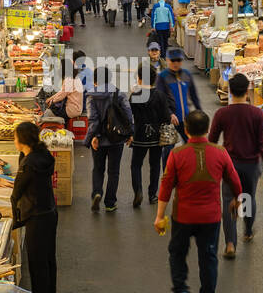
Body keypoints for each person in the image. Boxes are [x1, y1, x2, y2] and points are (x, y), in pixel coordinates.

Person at [155, 110, 242, 293]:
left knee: (177, 254)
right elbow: (235, 180)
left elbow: (165, 188)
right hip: (210, 218)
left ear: (185, 130)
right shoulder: (220, 152)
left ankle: (182, 292)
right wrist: (237, 199)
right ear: (207, 129)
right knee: (209, 260)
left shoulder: (177, 155)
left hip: (183, 217)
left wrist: (159, 216)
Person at [209, 73, 263, 258]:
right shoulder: (256, 113)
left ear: (230, 91)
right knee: (248, 197)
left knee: (229, 200)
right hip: (251, 165)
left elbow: (212, 140)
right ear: (247, 91)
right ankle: (247, 230)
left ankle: (230, 243)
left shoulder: (222, 113)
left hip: (229, 165)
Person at [11, 122, 58, 293]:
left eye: (15, 137)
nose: (14, 141)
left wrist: (16, 217)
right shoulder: (43, 156)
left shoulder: (29, 164)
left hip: (35, 216)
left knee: (36, 261)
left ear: (22, 140)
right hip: (49, 211)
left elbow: (17, 191)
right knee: (47, 256)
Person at [85, 69, 134, 212]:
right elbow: (128, 113)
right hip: (116, 139)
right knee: (114, 171)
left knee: (98, 169)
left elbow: (92, 120)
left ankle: (97, 192)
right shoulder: (118, 94)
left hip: (99, 140)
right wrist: (130, 133)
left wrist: (92, 137)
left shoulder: (91, 96)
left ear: (95, 81)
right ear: (110, 79)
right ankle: (110, 203)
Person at [130, 62, 174, 208]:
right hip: (156, 136)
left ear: (140, 79)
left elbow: (129, 116)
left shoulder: (134, 96)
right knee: (155, 165)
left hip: (139, 135)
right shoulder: (160, 96)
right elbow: (167, 117)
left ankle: (138, 191)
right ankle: (153, 194)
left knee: (136, 164)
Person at [156, 48, 202, 140]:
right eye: (173, 60)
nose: (176, 63)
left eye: (179, 60)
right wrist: (170, 114)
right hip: (169, 119)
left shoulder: (187, 75)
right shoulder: (162, 77)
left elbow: (194, 96)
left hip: (185, 118)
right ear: (167, 60)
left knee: (190, 143)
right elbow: (160, 99)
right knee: (168, 147)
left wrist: (200, 111)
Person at [45, 52, 85, 121]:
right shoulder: (74, 77)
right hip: (76, 108)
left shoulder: (69, 79)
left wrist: (52, 101)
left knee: (48, 113)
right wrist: (51, 98)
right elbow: (62, 91)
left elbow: (62, 95)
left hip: (72, 110)